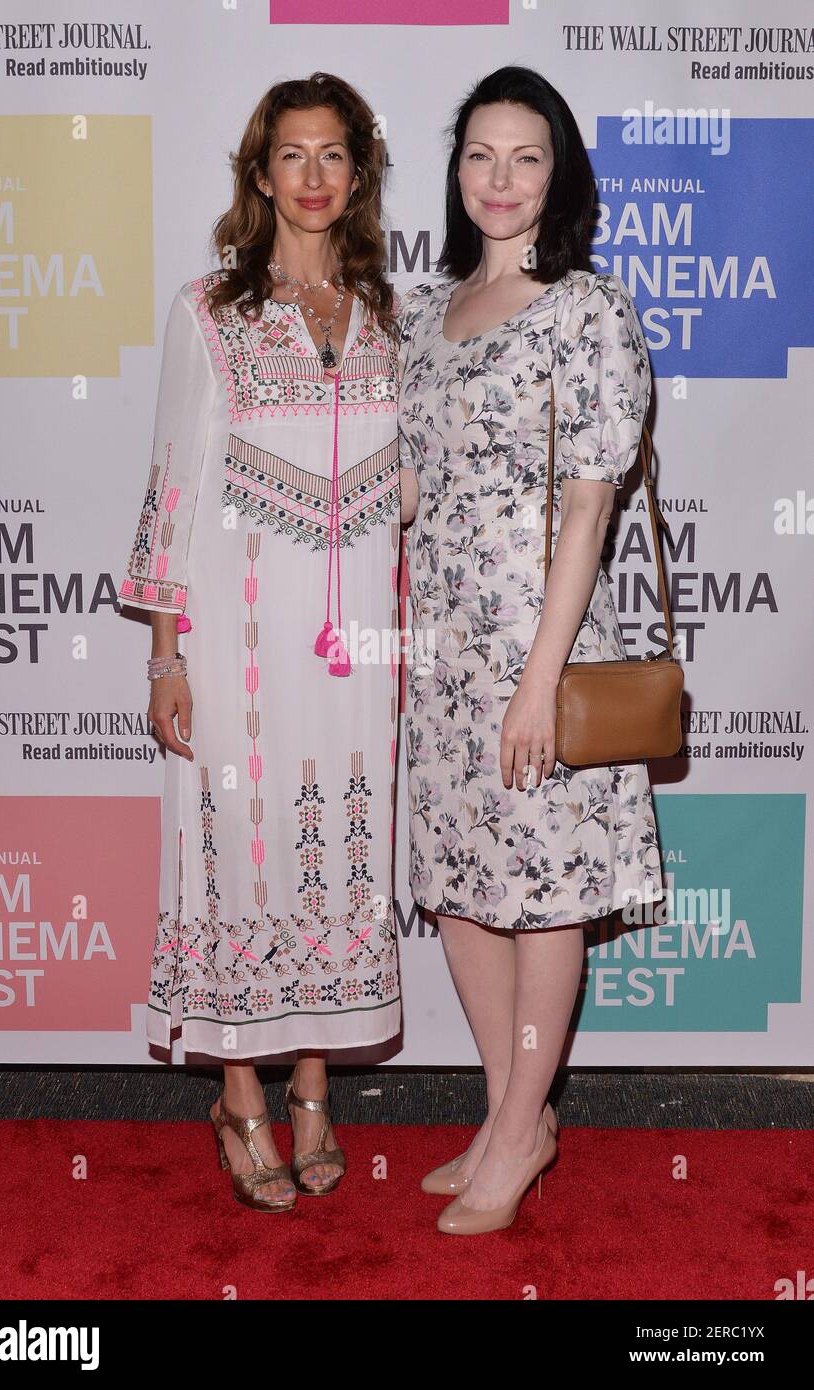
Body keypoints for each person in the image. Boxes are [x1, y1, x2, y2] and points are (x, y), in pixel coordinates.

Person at [117, 73, 405, 1212]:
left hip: (356, 655)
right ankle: (240, 1090)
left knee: (341, 849)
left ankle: (313, 1091)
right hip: (236, 644)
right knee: (238, 844)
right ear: (257, 173)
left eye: (334, 155)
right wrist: (163, 652)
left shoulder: (391, 316)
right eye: (293, 155)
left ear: (357, 174)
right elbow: (170, 491)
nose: (315, 177)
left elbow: (412, 488)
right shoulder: (209, 313)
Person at [396, 65, 666, 1235]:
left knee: (545, 895)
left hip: (536, 644)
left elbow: (587, 510)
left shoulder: (586, 309)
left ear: (557, 175)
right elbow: (410, 487)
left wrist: (536, 683)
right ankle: (510, 1111)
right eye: (477, 157)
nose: (498, 181)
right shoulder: (426, 312)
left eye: (524, 157)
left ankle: (518, 1132)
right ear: (454, 174)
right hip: (440, 653)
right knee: (464, 891)